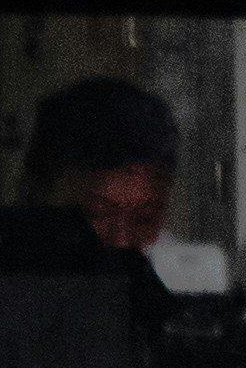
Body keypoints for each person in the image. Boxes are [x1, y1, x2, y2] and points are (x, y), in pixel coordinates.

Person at [25, 74, 179, 261]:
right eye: (96, 214)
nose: (122, 241)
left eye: (144, 219)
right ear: (41, 197)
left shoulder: (173, 274)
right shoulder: (3, 272)